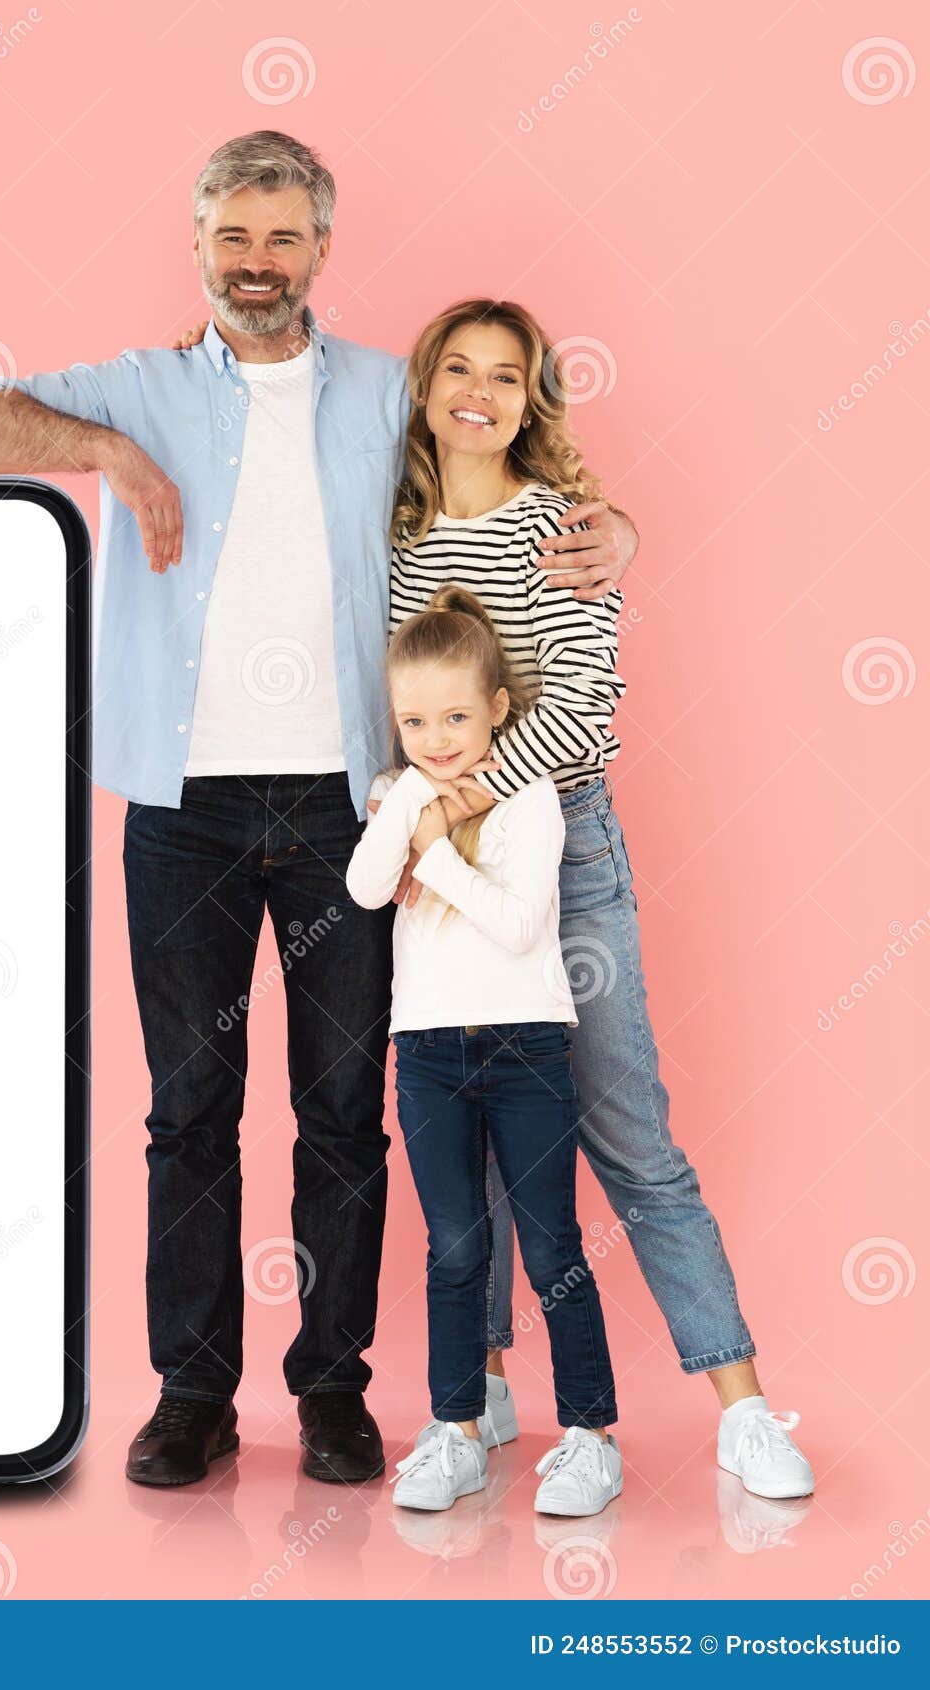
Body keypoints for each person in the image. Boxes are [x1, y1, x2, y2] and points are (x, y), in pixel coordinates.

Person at [0, 132, 639, 1489]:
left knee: (337, 1109)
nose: (256, 264)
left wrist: (622, 532)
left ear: (322, 249)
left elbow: (500, 474)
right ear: (199, 245)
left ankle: (331, 1388)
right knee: (189, 1105)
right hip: (186, 806)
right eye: (232, 239)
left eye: (282, 239)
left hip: (350, 808)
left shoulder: (384, 391)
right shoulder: (134, 387)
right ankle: (191, 1390)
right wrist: (110, 458)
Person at [377, 298, 814, 1501]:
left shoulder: (562, 531)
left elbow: (586, 707)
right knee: (475, 1130)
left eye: (504, 376)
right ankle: (483, 1395)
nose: (478, 391)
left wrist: (457, 808)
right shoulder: (395, 537)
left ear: (531, 400)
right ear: (422, 385)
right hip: (434, 876)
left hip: (561, 856)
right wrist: (415, 826)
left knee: (627, 1132)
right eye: (456, 368)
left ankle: (741, 1406)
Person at [347, 585, 623, 1516]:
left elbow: (516, 926)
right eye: (414, 720)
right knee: (455, 1247)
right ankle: (457, 1428)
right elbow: (359, 887)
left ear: (498, 710)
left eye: (457, 715)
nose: (436, 736)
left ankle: (590, 1435)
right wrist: (406, 810)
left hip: (526, 1050)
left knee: (551, 1248)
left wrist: (437, 857)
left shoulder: (529, 800)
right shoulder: (409, 791)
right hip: (426, 1053)